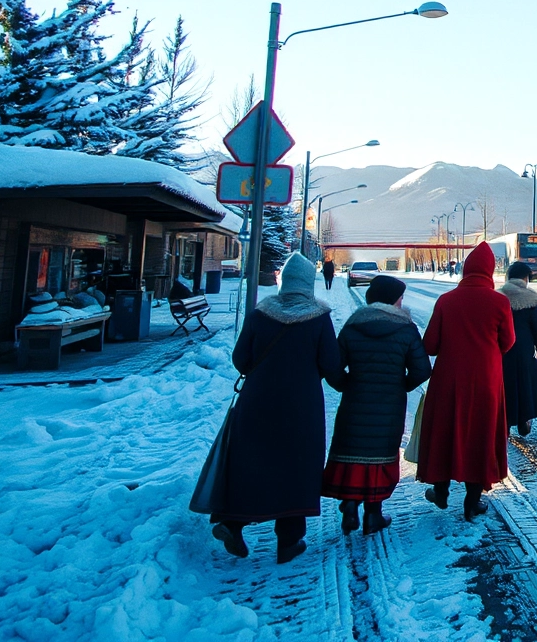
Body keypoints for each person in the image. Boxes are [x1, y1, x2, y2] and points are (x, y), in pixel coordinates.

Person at [207, 253, 341, 564]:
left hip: (257, 402)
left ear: (283, 282)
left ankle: (232, 522)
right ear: (308, 284)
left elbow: (240, 359)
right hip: (301, 406)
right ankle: (290, 541)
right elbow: (331, 365)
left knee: (253, 462)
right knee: (296, 467)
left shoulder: (259, 315)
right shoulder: (318, 318)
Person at [322, 275, 430, 535]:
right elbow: (422, 369)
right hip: (389, 404)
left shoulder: (353, 326)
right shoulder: (405, 328)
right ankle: (373, 516)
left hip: (355, 401)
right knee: (380, 456)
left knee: (352, 450)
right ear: (393, 300)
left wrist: (347, 384)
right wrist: (400, 385)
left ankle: (349, 505)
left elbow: (332, 366)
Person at [416, 242, 515, 520]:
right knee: (480, 435)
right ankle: (473, 502)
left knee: (446, 432)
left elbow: (430, 345)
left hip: (448, 379)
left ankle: (441, 491)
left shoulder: (446, 301)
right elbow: (508, 342)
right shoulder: (500, 302)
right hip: (486, 380)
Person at [500, 261, 537, 435]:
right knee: (525, 385)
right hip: (523, 350)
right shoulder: (530, 298)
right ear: (525, 278)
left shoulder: (499, 297)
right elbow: (536, 326)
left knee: (505, 386)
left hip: (503, 350)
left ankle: (504, 422)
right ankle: (524, 419)